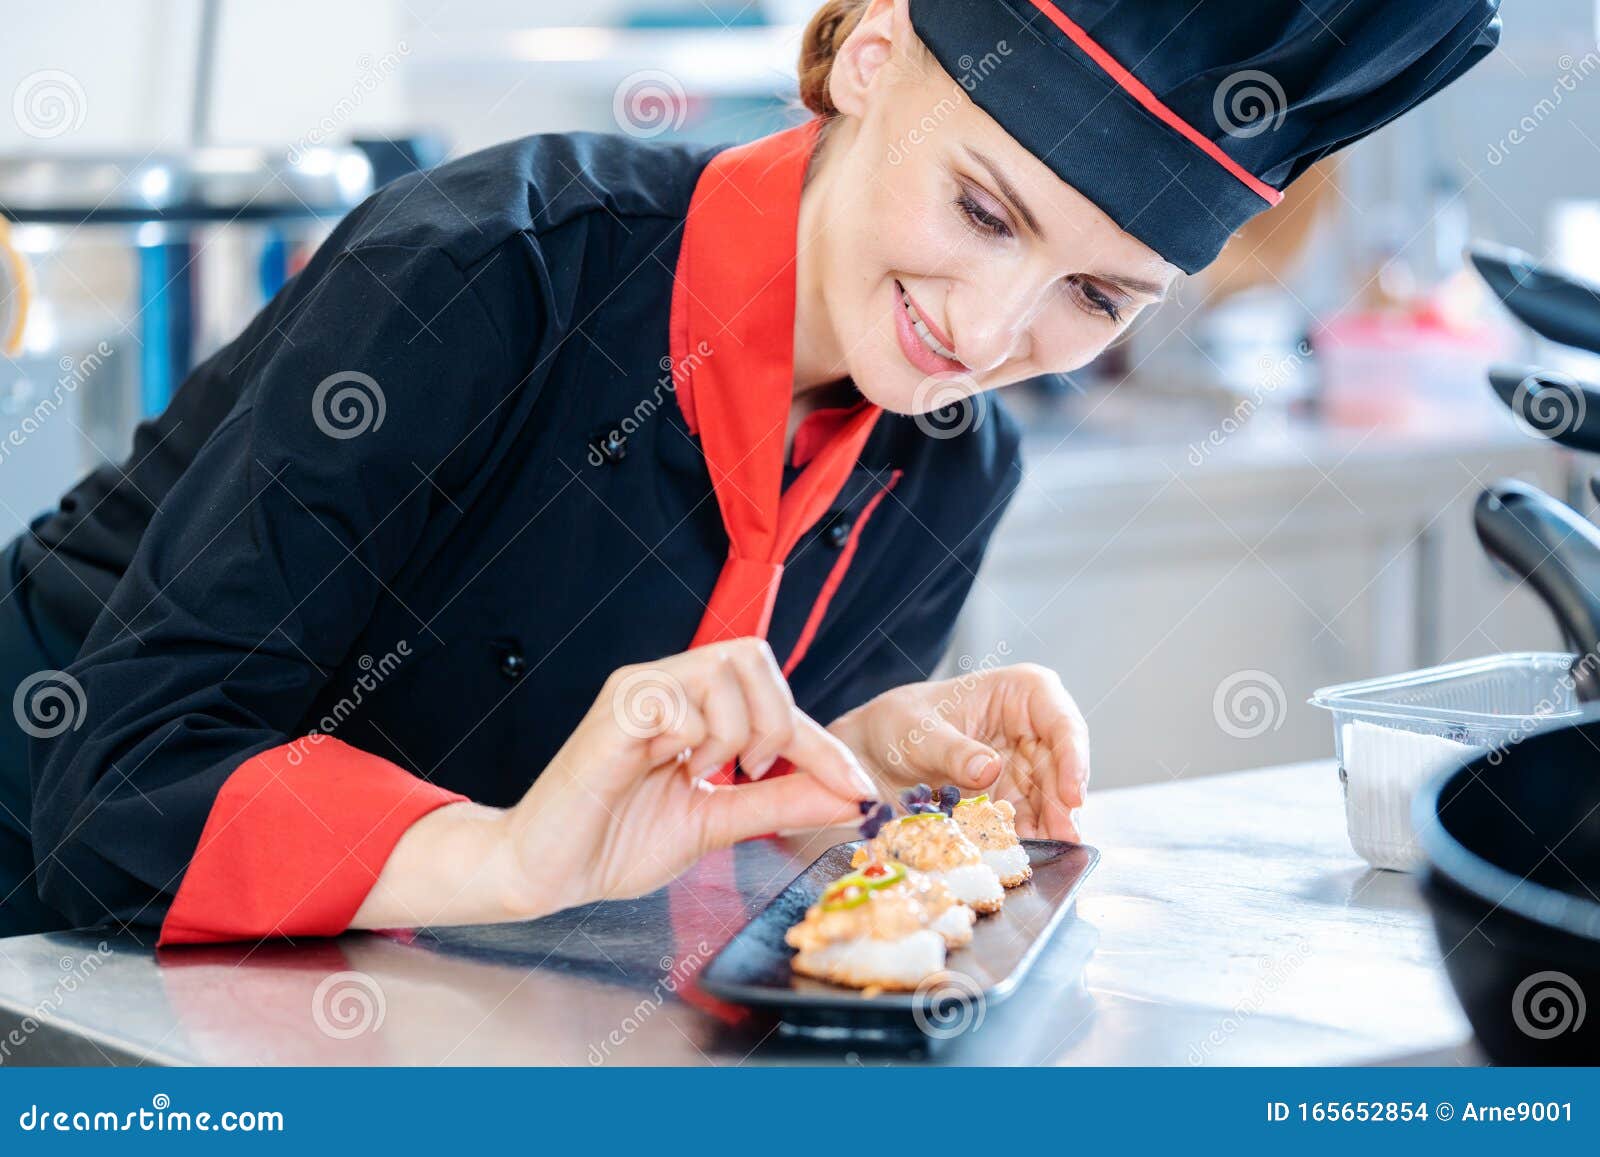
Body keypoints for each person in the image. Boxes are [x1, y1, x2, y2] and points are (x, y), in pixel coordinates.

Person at [0, 0, 1499, 941]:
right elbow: (114, 796)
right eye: (984, 209)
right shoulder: (483, 277)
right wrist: (514, 855)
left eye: (1095, 299)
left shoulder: (949, 475)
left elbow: (630, 861)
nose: (985, 334)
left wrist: (835, 771)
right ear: (868, 55)